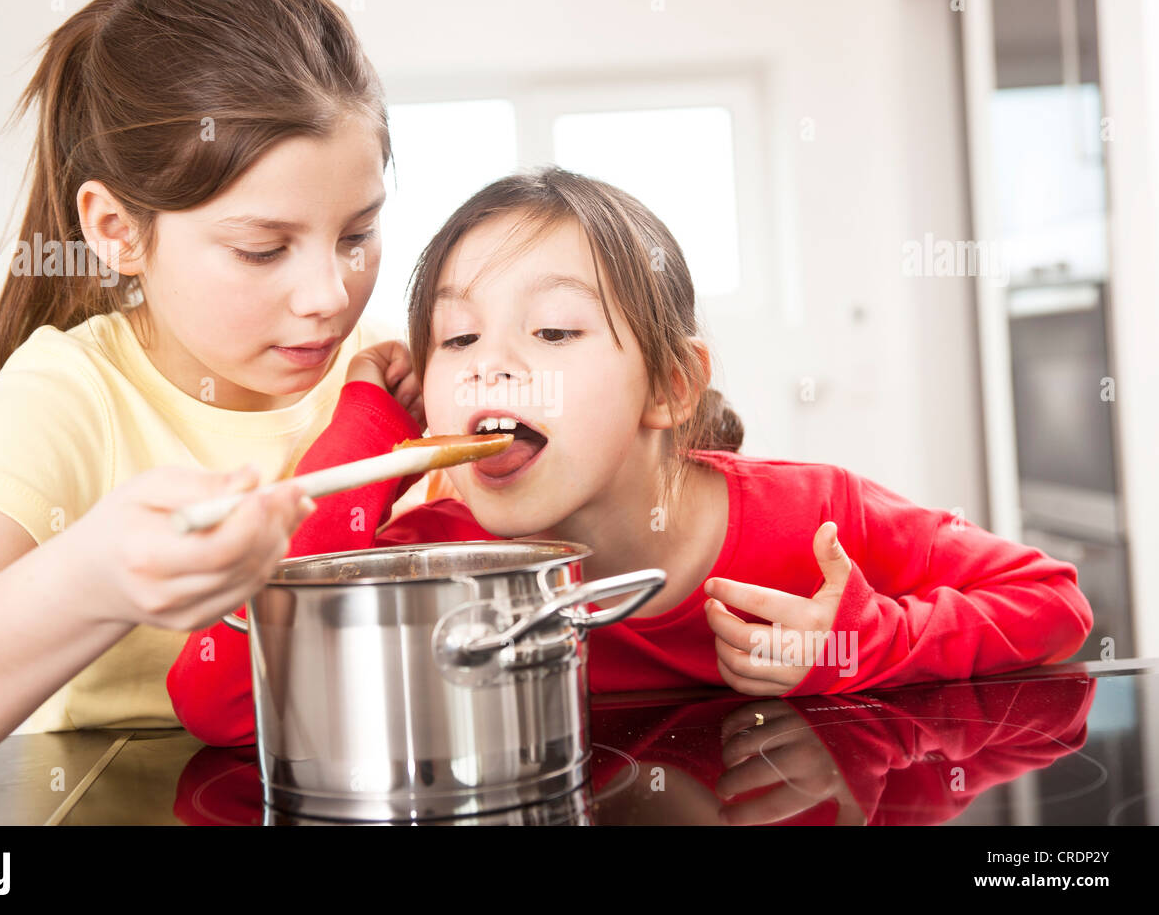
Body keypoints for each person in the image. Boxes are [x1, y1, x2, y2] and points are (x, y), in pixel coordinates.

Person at [168, 167, 1094, 747]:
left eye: (555, 328)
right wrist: (369, 436)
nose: (490, 362)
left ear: (668, 387)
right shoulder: (435, 561)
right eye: (456, 340)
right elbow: (220, 702)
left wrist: (864, 643)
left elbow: (1054, 603)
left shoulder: (817, 522)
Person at [0, 0, 425, 808]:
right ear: (118, 231)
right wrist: (91, 581)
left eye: (358, 233)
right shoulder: (68, 397)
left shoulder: (387, 376)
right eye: (263, 249)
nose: (329, 296)